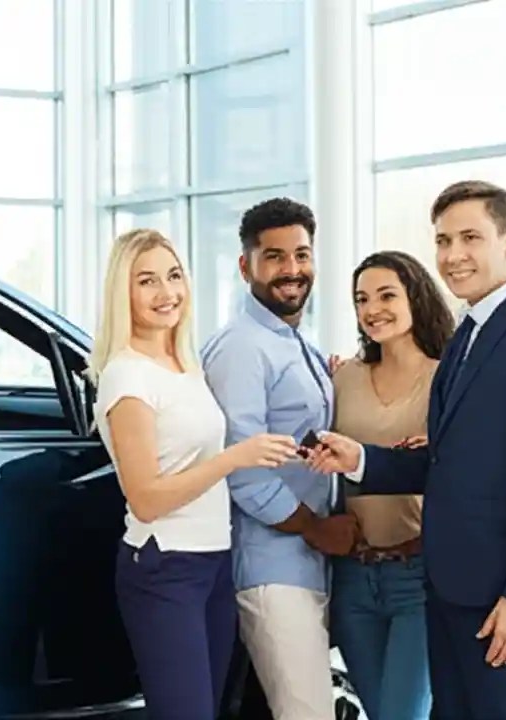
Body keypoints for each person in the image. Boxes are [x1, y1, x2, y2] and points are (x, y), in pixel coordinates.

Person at [306, 180, 506, 720]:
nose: (453, 256)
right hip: (449, 590)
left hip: (504, 598)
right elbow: (448, 463)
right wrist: (362, 460)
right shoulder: (466, 337)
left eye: (470, 238)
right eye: (442, 241)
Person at [87, 228, 299, 720]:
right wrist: (233, 458)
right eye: (147, 281)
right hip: (165, 567)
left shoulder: (185, 363)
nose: (167, 293)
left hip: (213, 561)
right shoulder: (126, 375)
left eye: (174, 276)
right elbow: (145, 499)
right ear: (124, 293)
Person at [201, 198, 360, 720]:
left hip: (311, 567)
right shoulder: (242, 348)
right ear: (246, 266)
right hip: (272, 568)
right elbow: (241, 471)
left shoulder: (298, 345)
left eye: (302, 254)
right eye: (274, 257)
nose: (292, 270)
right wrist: (316, 528)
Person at [328, 251, 455, 720]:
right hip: (354, 575)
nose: (372, 308)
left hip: (418, 574)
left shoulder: (448, 378)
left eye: (386, 295)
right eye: (362, 299)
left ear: (415, 298)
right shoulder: (342, 377)